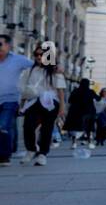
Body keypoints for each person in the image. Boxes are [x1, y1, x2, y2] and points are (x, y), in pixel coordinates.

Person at [17, 50, 66, 166]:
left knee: (47, 129)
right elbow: (25, 89)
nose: (39, 57)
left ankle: (42, 154)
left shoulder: (55, 71)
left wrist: (62, 108)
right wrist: (22, 104)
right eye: (36, 54)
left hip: (50, 102)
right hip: (33, 101)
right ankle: (31, 149)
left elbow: (60, 91)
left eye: (42, 54)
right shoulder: (30, 70)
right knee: (28, 125)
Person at [0, 34, 34, 165]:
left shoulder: (18, 59)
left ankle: (4, 157)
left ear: (8, 45)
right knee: (8, 127)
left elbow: (36, 66)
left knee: (3, 125)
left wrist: (56, 66)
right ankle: (10, 147)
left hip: (10, 99)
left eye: (0, 44)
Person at [64, 77, 97, 145]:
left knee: (75, 127)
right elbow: (98, 98)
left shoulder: (75, 91)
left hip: (77, 112)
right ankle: (89, 141)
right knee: (89, 127)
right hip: (89, 112)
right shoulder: (91, 91)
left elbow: (70, 100)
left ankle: (74, 142)